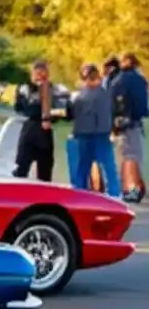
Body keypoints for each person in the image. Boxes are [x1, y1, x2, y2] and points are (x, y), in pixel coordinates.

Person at [69, 63, 122, 197]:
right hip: (100, 133)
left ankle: (79, 194)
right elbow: (112, 112)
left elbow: (72, 113)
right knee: (108, 167)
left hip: (85, 134)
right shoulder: (104, 94)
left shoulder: (79, 96)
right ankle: (114, 195)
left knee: (83, 168)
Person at [13, 60, 60, 181]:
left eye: (41, 73)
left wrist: (49, 117)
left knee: (42, 171)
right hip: (35, 129)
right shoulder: (25, 88)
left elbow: (63, 111)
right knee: (23, 169)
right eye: (37, 73)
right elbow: (20, 107)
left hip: (40, 131)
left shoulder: (53, 89)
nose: (38, 76)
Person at [110, 52, 147, 201]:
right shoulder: (139, 80)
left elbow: (113, 103)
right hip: (134, 123)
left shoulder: (118, 80)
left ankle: (127, 188)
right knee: (133, 156)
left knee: (127, 157)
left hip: (123, 124)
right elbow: (142, 106)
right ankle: (134, 189)